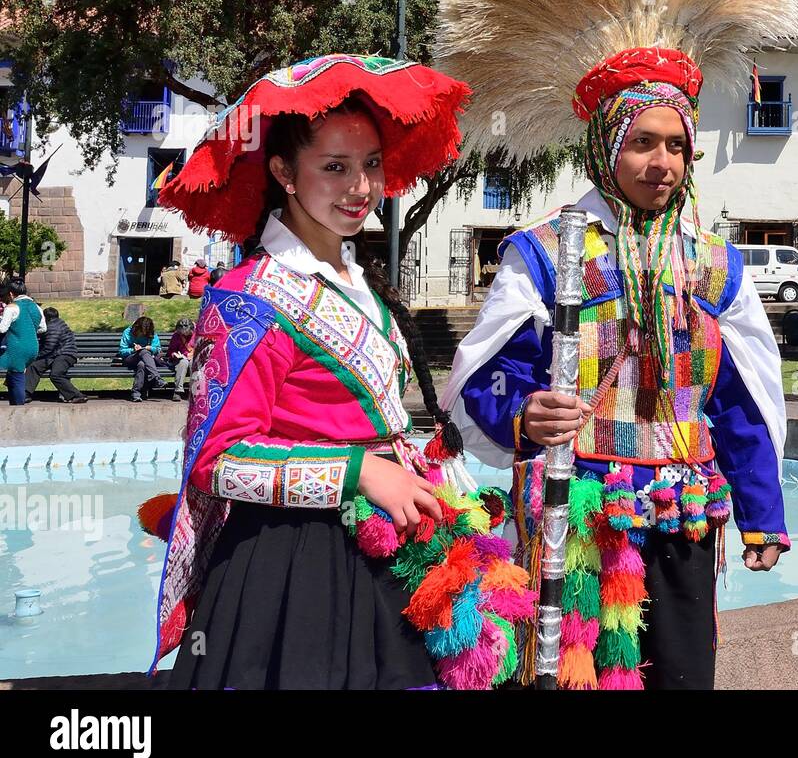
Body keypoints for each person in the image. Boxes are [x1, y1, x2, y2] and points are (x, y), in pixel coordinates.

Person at [436, 0, 798, 690]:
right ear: (607, 143)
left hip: (681, 515)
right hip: (576, 510)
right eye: (643, 142)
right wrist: (524, 412)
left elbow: (742, 400)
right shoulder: (542, 252)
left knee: (680, 675)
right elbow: (484, 375)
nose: (663, 162)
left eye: (676, 144)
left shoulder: (718, 264)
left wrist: (762, 513)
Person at [147, 52, 527, 690]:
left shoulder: (360, 283)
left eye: (371, 164)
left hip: (390, 549)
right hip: (296, 566)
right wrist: (357, 471)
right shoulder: (251, 299)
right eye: (334, 167)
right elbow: (216, 460)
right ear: (283, 173)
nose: (360, 187)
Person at [26, 306, 87, 403]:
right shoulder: (55, 323)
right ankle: (26, 393)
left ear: (46, 318)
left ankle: (77, 395)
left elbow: (49, 347)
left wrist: (36, 356)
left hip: (66, 355)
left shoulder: (53, 327)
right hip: (54, 355)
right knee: (34, 366)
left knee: (56, 374)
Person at [0, 278, 45, 405]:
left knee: (17, 376)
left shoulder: (12, 307)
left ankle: (19, 408)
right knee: (13, 373)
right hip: (33, 348)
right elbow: (43, 328)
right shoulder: (36, 307)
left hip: (17, 347)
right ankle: (14, 403)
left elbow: (2, 328)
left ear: (10, 294)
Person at [119, 315, 163, 402]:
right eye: (142, 331)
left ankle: (136, 394)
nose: (143, 333)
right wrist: (132, 350)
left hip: (146, 361)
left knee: (142, 364)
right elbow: (122, 351)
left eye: (145, 332)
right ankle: (156, 377)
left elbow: (158, 349)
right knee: (143, 352)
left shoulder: (152, 333)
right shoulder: (127, 332)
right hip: (130, 358)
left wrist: (150, 348)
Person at [164, 316, 196, 401]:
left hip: (194, 358)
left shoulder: (198, 333)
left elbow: (203, 347)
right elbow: (171, 351)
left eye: (186, 333)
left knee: (193, 362)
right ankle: (178, 391)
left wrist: (194, 354)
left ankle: (195, 391)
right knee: (183, 362)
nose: (184, 335)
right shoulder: (176, 336)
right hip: (180, 359)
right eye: (182, 333)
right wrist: (174, 354)